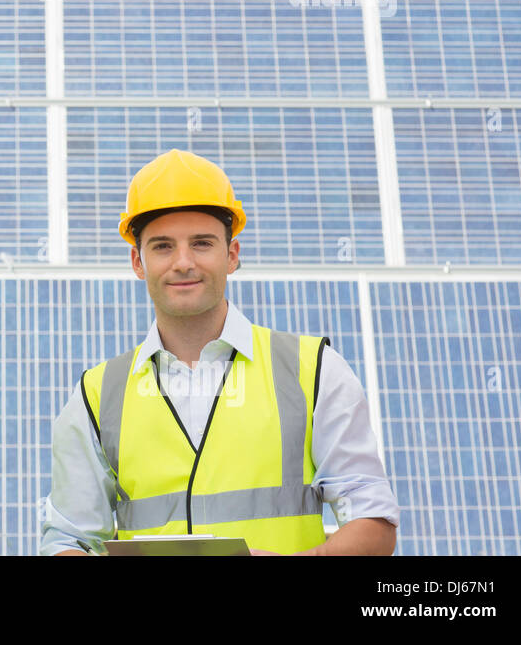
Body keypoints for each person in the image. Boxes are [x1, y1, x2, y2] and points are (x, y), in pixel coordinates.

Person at [41, 149, 399, 556]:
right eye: (162, 247)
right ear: (137, 261)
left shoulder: (313, 371)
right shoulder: (97, 394)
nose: (183, 262)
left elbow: (373, 524)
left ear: (231, 255)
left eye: (202, 243)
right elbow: (67, 541)